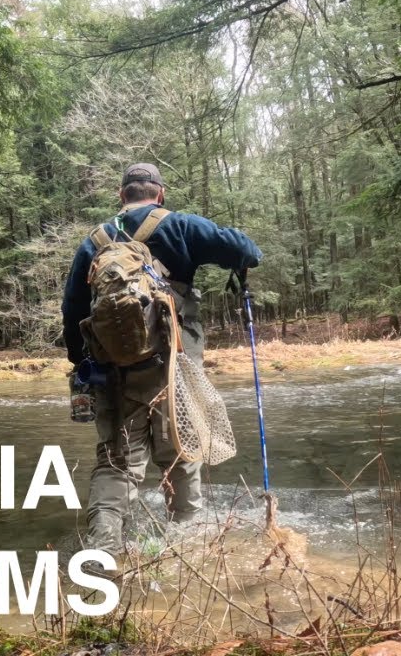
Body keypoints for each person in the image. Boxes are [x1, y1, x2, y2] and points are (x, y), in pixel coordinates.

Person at [61, 162, 262, 560]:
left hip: (114, 373)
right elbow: (246, 251)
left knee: (116, 463)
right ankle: (185, 553)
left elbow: (71, 312)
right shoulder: (180, 225)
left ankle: (102, 553)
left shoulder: (95, 241)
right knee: (182, 452)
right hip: (175, 365)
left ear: (121, 196)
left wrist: (84, 365)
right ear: (160, 193)